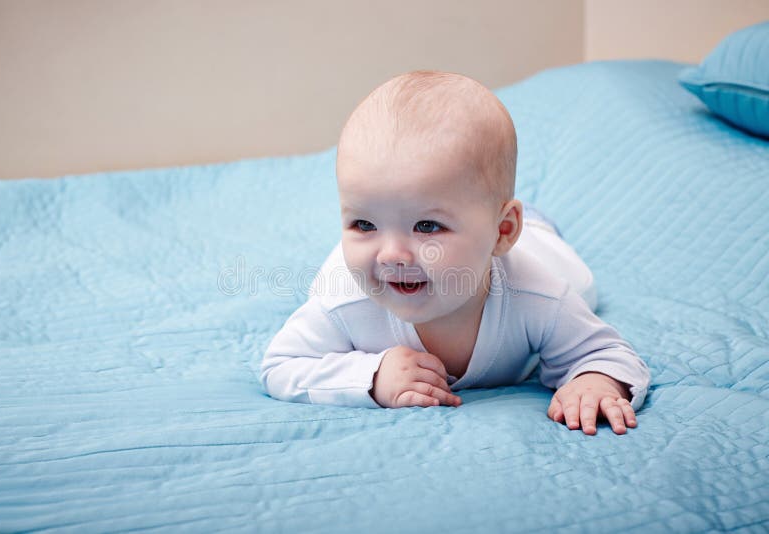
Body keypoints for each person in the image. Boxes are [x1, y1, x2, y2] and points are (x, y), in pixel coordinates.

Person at [260, 70, 650, 436]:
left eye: (427, 226)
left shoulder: (539, 297)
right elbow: (281, 366)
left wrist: (594, 381)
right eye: (363, 224)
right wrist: (372, 377)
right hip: (481, 235)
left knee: (583, 283)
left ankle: (530, 221)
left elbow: (608, 352)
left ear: (503, 231)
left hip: (536, 245)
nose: (392, 255)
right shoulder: (344, 302)